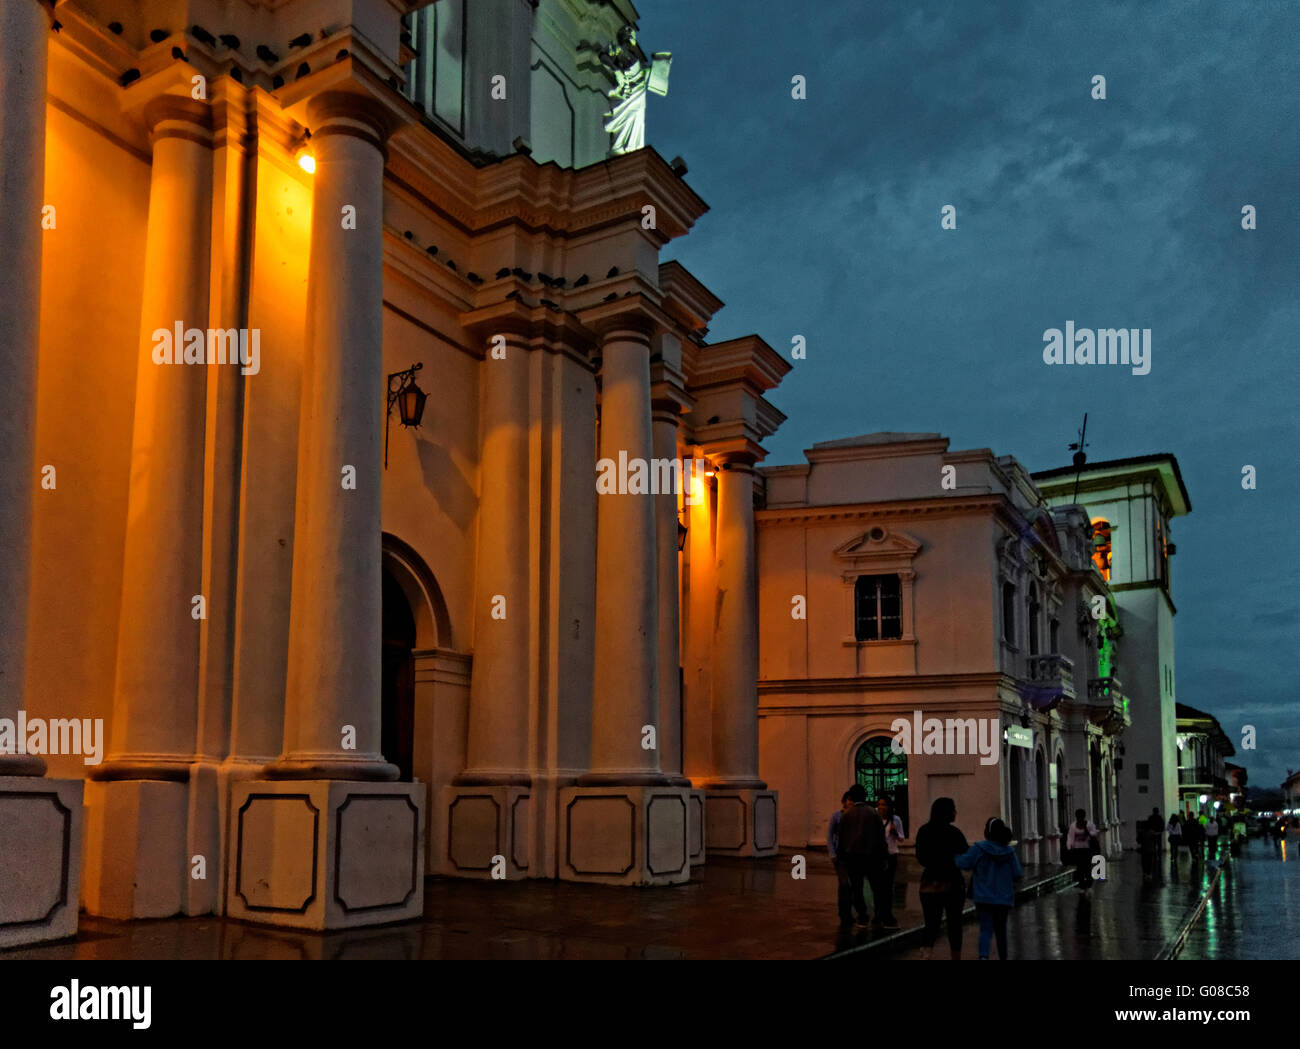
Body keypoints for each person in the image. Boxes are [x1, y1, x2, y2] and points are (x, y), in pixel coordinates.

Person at [955, 817, 1024, 960]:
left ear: (988, 831)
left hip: (983, 898)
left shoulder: (978, 848)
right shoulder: (1009, 852)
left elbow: (963, 863)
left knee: (985, 929)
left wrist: (954, 856)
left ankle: (983, 957)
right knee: (1001, 931)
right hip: (1003, 899)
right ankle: (1003, 957)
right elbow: (1017, 873)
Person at [914, 797, 969, 960]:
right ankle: (955, 957)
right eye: (953, 809)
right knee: (954, 924)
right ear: (948, 812)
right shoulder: (955, 833)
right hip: (953, 883)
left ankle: (926, 954)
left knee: (931, 923)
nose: (955, 813)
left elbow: (920, 857)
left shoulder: (924, 831)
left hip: (929, 883)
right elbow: (965, 856)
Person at [836, 784, 887, 929]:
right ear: (865, 796)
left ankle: (862, 915)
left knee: (857, 888)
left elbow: (841, 838)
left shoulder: (846, 815)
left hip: (853, 858)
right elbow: (881, 837)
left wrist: (842, 858)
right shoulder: (873, 813)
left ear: (852, 797)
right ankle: (878, 915)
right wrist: (884, 856)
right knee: (877, 887)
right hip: (873, 857)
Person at [874, 795, 905, 930]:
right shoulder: (874, 818)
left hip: (891, 855)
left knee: (888, 886)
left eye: (884, 804)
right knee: (877, 886)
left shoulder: (895, 819)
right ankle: (878, 913)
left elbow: (902, 838)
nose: (881, 807)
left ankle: (887, 913)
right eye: (879, 804)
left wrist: (895, 832)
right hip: (876, 856)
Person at [828, 790, 856, 926]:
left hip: (852, 854)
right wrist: (832, 853)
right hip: (840, 855)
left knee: (849, 885)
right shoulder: (837, 816)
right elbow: (830, 835)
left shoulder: (855, 816)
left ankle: (847, 911)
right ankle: (844, 912)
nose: (850, 802)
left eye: (852, 800)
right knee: (844, 883)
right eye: (848, 799)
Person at [1064, 809, 1099, 896]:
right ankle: (1082, 886)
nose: (1079, 817)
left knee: (1087, 868)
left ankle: (1089, 886)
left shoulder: (1089, 824)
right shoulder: (1073, 826)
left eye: (1081, 816)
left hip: (1087, 850)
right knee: (1079, 869)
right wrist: (1069, 847)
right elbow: (1070, 837)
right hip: (1077, 850)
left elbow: (1094, 834)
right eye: (1078, 816)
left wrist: (1086, 830)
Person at [1138, 812, 1162, 882]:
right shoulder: (1152, 832)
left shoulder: (1142, 833)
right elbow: (1155, 840)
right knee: (1150, 862)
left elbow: (1138, 840)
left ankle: (1145, 872)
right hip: (1151, 849)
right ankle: (1149, 873)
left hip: (1144, 849)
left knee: (1144, 861)